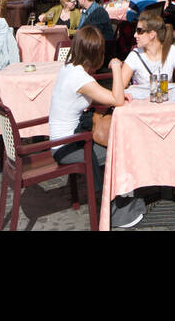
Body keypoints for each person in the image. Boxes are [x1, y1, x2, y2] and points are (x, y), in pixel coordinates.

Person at [47, 25, 143, 228]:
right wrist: (116, 67)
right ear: (97, 54)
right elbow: (116, 100)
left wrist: (114, 96)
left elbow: (103, 96)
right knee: (120, 152)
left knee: (117, 145)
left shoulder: (69, 67)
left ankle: (120, 204)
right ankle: (119, 213)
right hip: (67, 147)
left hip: (64, 140)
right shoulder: (80, 78)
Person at [118, 12, 175, 87]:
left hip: (167, 97)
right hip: (142, 98)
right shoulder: (134, 56)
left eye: (139, 31)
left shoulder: (172, 51)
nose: (135, 35)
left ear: (152, 34)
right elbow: (119, 88)